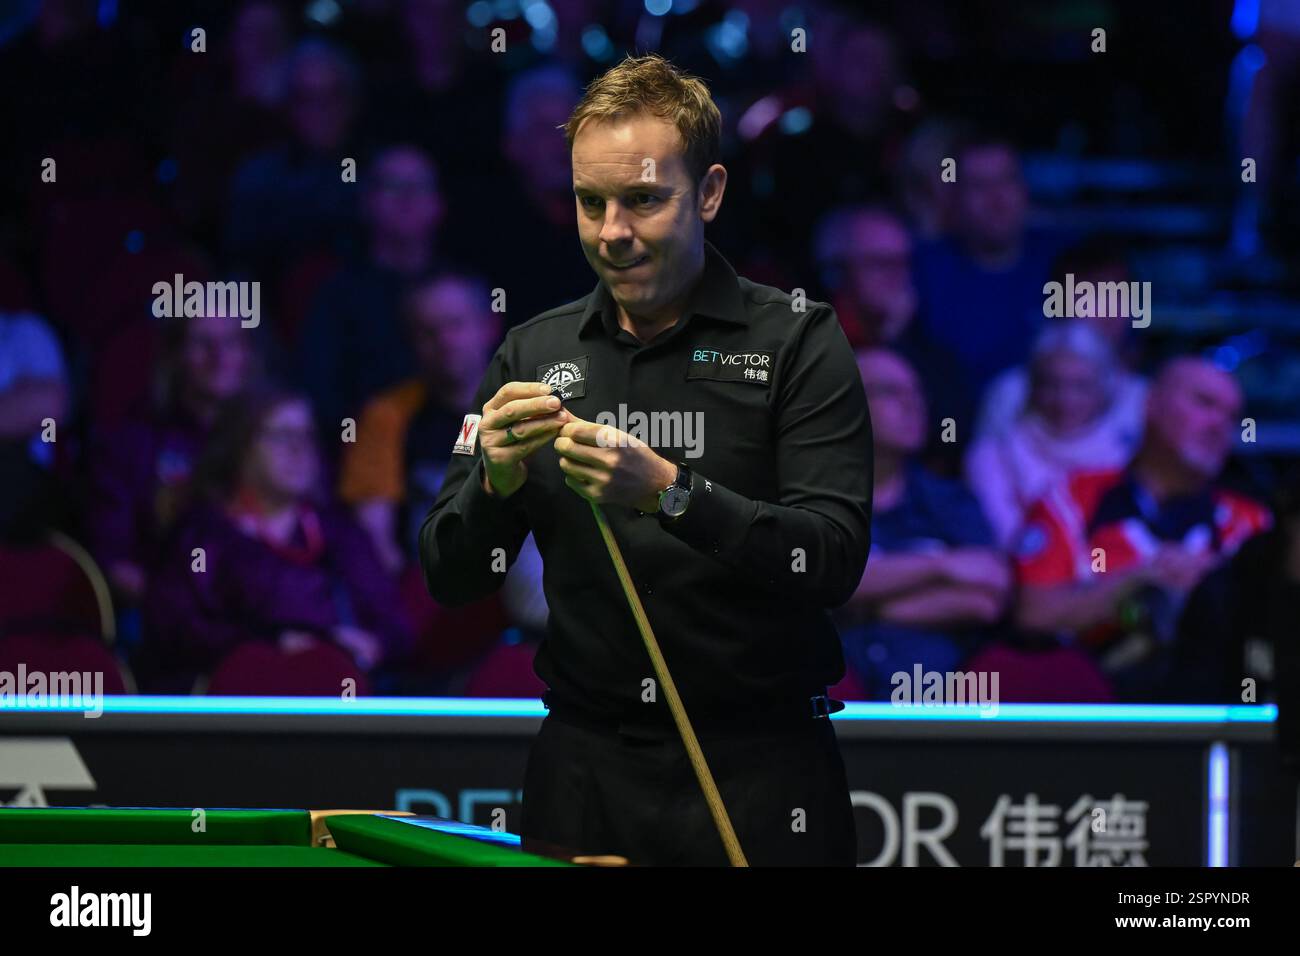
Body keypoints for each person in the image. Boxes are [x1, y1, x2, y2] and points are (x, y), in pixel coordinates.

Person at [419, 54, 871, 866]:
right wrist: (497, 481)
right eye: (591, 203)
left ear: (709, 192)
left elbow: (830, 558)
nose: (612, 232)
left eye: (643, 200)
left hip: (763, 775)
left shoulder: (801, 340)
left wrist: (668, 492)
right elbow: (451, 578)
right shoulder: (529, 352)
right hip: (584, 776)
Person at [1014, 357, 1271, 700]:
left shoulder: (1252, 522)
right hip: (1094, 707)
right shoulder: (1071, 501)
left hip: (1217, 706)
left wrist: (1209, 587)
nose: (1218, 424)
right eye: (1204, 403)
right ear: (1151, 404)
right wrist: (1140, 580)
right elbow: (1032, 614)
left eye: (1231, 416)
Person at [143, 389, 413, 693]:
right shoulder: (202, 535)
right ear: (241, 447)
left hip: (333, 697)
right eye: (282, 436)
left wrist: (374, 645)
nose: (299, 450)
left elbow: (396, 629)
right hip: (236, 701)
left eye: (306, 436)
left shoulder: (340, 535)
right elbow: (173, 629)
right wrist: (274, 642)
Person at [838, 349, 1009, 697]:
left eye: (916, 392)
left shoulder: (949, 501)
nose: (913, 404)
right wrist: (941, 565)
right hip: (834, 704)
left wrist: (861, 606)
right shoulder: (813, 495)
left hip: (936, 706)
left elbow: (988, 594)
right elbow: (816, 583)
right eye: (891, 391)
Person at [90, 313, 257, 606]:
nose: (218, 357)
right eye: (201, 342)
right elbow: (114, 562)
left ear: (247, 353)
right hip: (167, 621)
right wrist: (178, 608)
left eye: (231, 342)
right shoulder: (133, 443)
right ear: (175, 355)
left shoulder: (277, 435)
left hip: (268, 616)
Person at [913, 135, 1071, 412]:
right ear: (953, 198)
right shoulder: (922, 270)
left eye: (1007, 181)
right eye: (979, 186)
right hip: (956, 433)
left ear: (1024, 189)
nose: (997, 199)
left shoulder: (1069, 260)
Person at [297, 143, 447, 436]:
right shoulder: (337, 297)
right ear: (367, 201)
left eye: (418, 187)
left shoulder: (460, 291)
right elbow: (322, 396)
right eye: (392, 186)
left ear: (438, 204)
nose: (407, 198)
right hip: (364, 450)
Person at [965, 321, 1142, 548]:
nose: (1065, 400)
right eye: (1051, 385)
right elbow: (1015, 546)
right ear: (1032, 387)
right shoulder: (993, 457)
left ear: (1102, 390)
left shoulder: (1129, 456)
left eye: (1081, 386)